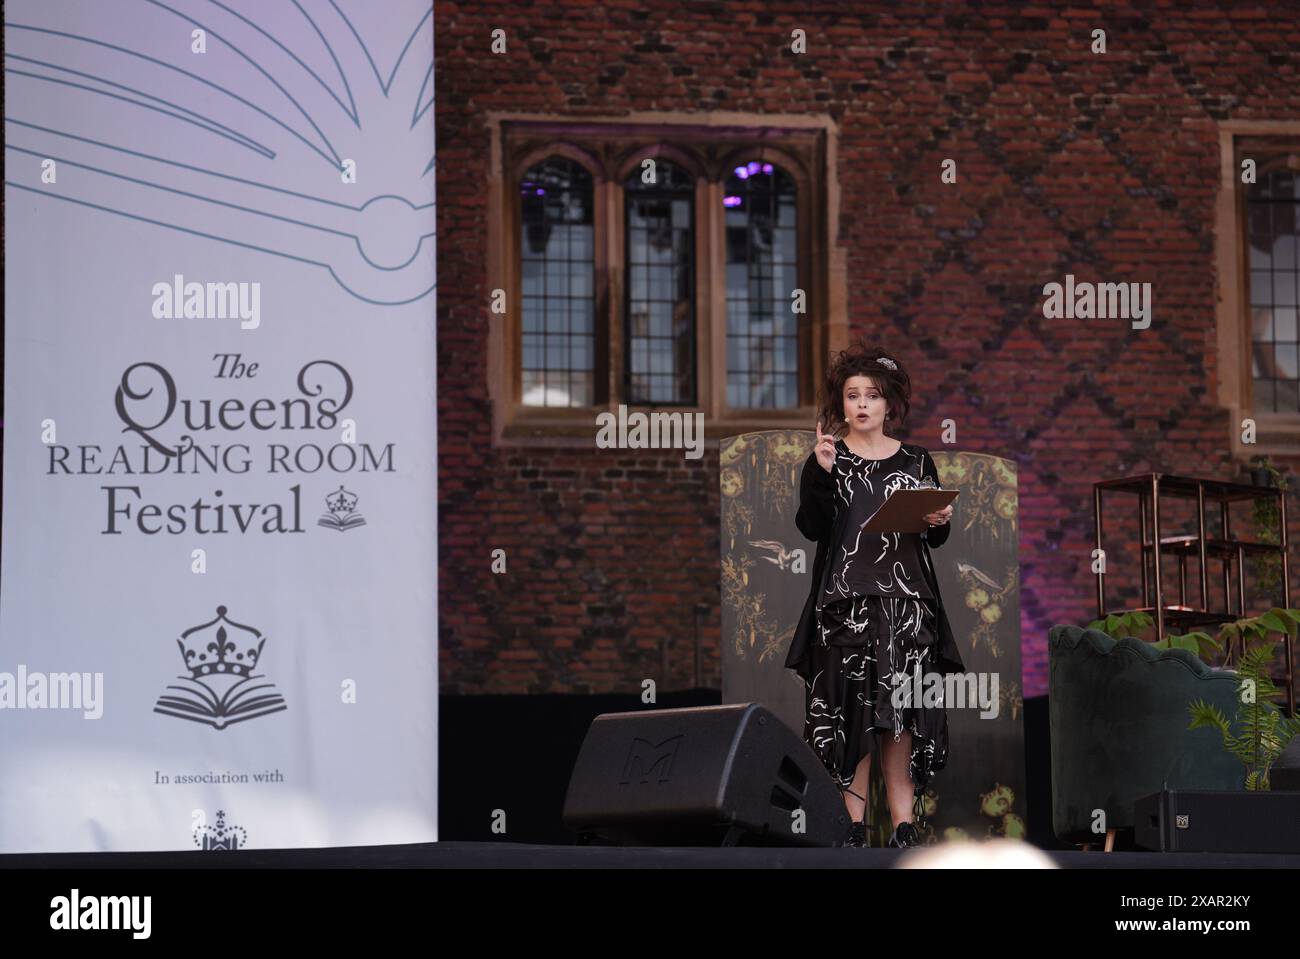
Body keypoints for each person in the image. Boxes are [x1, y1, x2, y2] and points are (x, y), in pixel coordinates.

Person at [784, 343, 965, 849]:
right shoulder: (827, 457)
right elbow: (812, 527)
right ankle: (854, 830)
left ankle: (905, 828)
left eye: (872, 395)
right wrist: (820, 474)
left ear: (889, 404)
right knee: (852, 714)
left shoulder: (916, 458)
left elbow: (935, 537)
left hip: (908, 606)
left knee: (901, 713)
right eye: (852, 395)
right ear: (841, 405)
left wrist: (938, 521)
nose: (863, 404)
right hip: (846, 605)